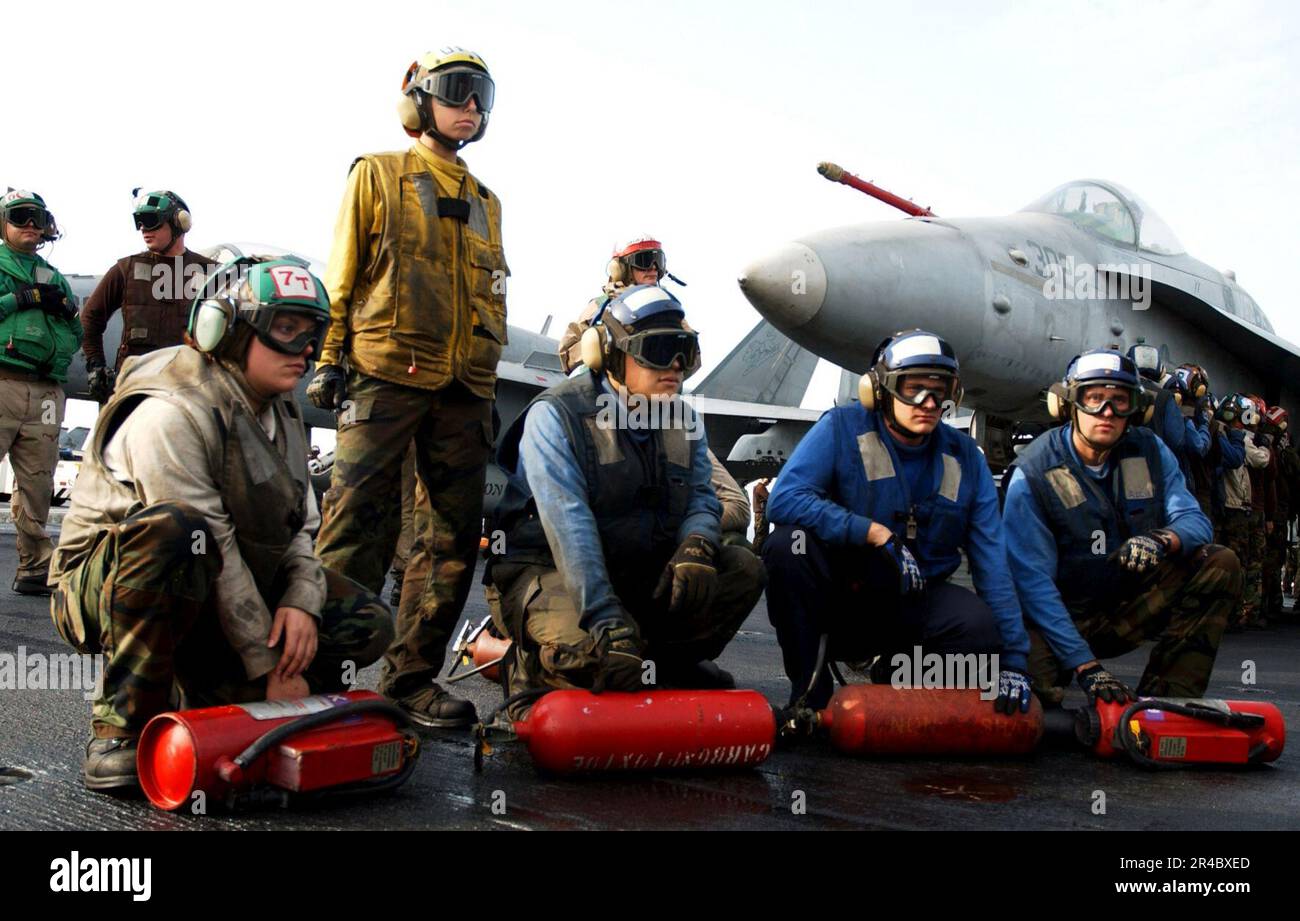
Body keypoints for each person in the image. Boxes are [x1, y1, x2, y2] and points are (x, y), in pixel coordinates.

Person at [49, 258, 392, 793]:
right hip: (109, 586)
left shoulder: (282, 412)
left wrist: (302, 599)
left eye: (312, 334)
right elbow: (210, 539)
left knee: (364, 619)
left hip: (217, 579)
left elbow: (300, 527)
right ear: (224, 330)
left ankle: (229, 700)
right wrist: (268, 660)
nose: (305, 350)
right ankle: (121, 728)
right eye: (285, 329)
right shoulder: (173, 410)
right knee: (174, 532)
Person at [307, 48, 506, 730]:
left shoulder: (487, 202)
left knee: (451, 541)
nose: (472, 107)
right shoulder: (377, 175)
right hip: (385, 372)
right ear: (419, 99)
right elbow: (344, 275)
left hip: (463, 389)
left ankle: (410, 679)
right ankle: (317, 680)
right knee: (356, 525)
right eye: (457, 92)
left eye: (483, 96)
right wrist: (330, 356)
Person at [488, 285, 765, 718]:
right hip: (548, 570)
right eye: (658, 351)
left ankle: (665, 662)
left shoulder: (682, 418)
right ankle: (531, 666)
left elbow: (700, 498)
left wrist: (697, 543)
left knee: (742, 569)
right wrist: (603, 618)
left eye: (684, 352)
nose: (676, 367)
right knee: (595, 657)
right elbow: (569, 528)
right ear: (610, 355)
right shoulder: (557, 416)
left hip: (634, 569)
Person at [763, 330, 1032, 713]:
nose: (928, 402)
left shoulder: (966, 459)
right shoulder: (841, 428)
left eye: (939, 390)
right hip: (841, 601)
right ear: (880, 390)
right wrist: (870, 532)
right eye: (914, 388)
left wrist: (1013, 662)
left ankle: (895, 676)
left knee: (979, 631)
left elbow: (993, 564)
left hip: (912, 602)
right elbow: (784, 499)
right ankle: (810, 694)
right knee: (788, 546)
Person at [1003, 350, 1241, 706]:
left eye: (1120, 400)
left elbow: (1195, 521)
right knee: (1029, 711)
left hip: (1122, 606)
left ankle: (1166, 704)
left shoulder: (1149, 450)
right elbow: (1033, 586)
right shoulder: (1034, 473)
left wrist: (1163, 539)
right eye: (1094, 399)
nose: (1108, 412)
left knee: (1219, 563)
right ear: (1067, 404)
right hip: (1055, 616)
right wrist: (1086, 666)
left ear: (1138, 408)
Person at [558, 236, 751, 542]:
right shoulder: (600, 309)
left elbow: (692, 362)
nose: (652, 269)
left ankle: (682, 535)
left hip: (665, 420)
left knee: (737, 505)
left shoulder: (671, 311)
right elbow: (570, 358)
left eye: (657, 261)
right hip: (609, 416)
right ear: (619, 269)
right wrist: (612, 340)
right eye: (643, 261)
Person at [0, 190, 82, 595]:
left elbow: (77, 332)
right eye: (20, 216)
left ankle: (35, 567)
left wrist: (66, 312)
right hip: (3, 381)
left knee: (39, 483)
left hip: (46, 391)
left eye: (37, 217)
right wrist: (17, 299)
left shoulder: (54, 277)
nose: (30, 224)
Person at [80, 190, 217, 402]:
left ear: (179, 223)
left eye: (151, 221)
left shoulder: (212, 273)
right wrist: (95, 365)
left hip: (189, 391)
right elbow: (90, 318)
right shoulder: (126, 269)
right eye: (140, 222)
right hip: (135, 388)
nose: (144, 229)